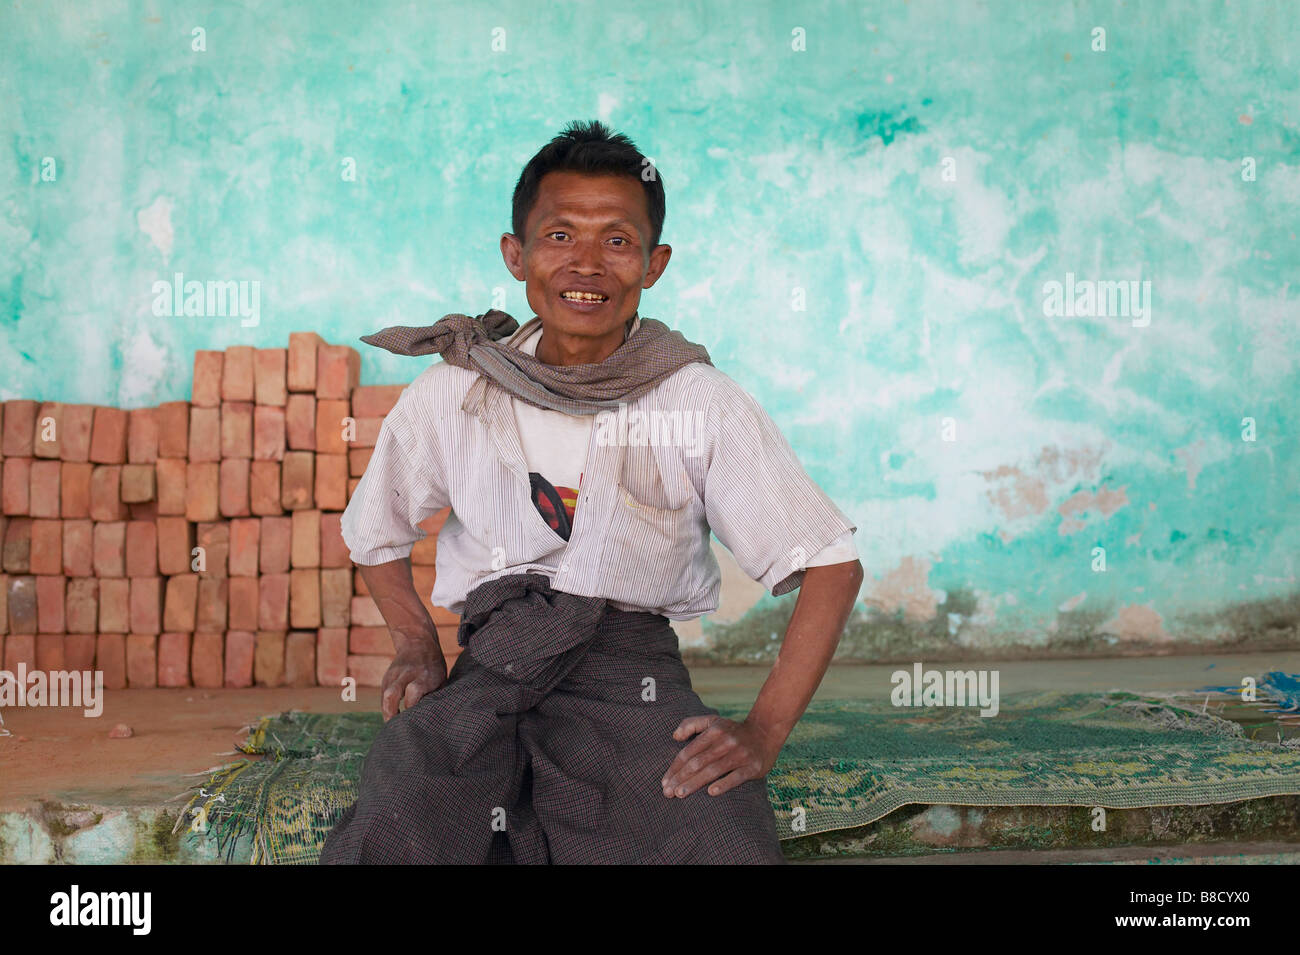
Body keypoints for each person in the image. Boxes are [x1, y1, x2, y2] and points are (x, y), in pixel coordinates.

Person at [319, 120, 863, 864]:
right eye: (559, 236)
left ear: (654, 261)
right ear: (516, 255)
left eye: (616, 240)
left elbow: (831, 565)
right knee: (404, 815)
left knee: (717, 833)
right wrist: (417, 644)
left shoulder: (695, 399)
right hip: (491, 672)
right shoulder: (456, 392)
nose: (587, 264)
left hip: (631, 680)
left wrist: (762, 729)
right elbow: (374, 532)